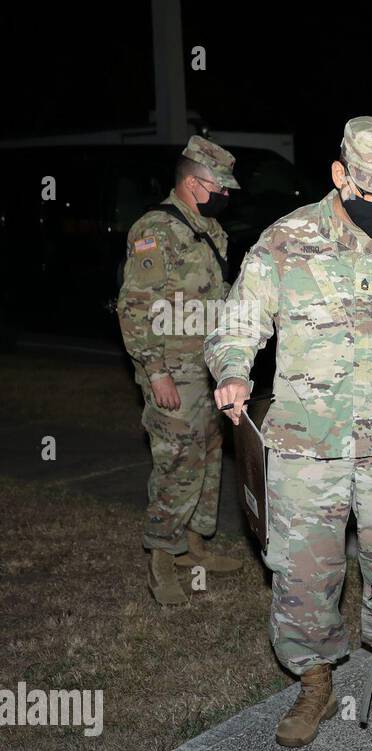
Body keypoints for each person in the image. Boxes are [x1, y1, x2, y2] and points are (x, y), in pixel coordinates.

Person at [206, 117, 372, 747]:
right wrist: (234, 372)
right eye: (371, 194)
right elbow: (238, 322)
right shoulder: (286, 241)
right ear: (339, 174)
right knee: (302, 572)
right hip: (305, 447)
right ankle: (314, 681)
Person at [117, 135, 244, 606]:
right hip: (174, 372)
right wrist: (155, 372)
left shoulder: (208, 229)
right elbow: (134, 306)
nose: (225, 196)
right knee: (176, 466)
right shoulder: (156, 230)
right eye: (219, 187)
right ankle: (160, 559)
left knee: (209, 460)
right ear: (193, 182)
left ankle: (194, 547)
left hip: (207, 370)